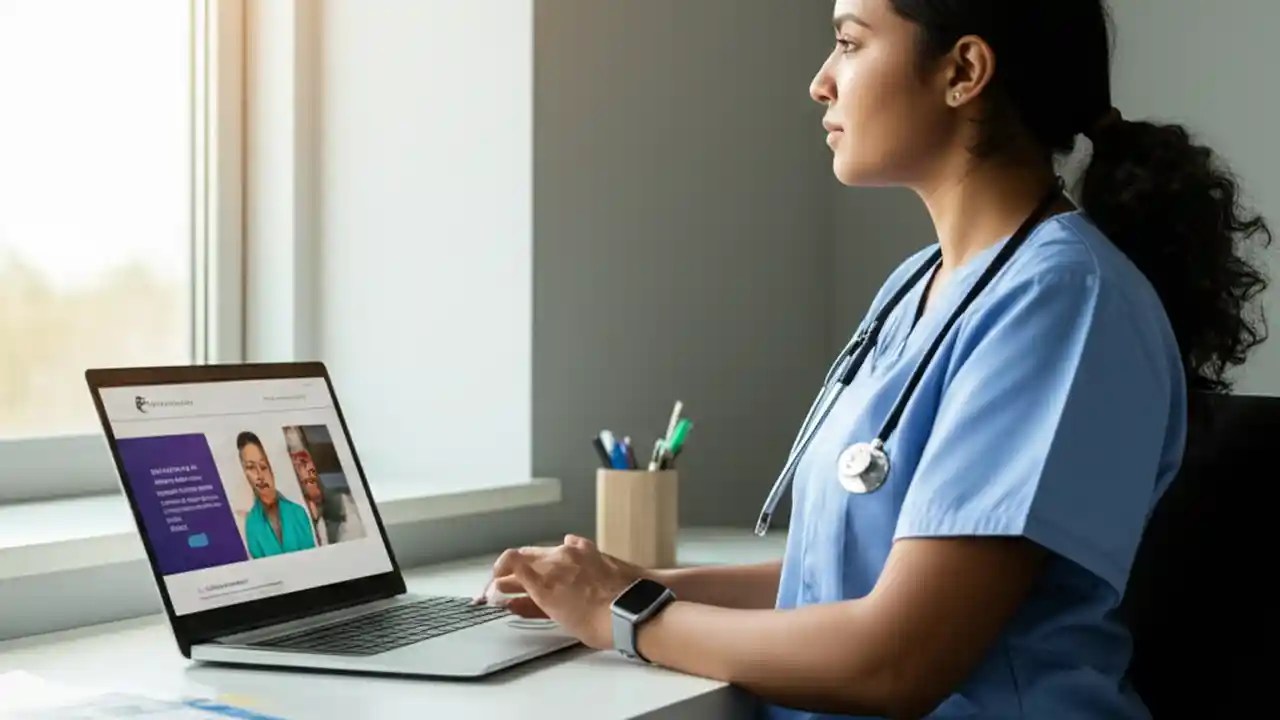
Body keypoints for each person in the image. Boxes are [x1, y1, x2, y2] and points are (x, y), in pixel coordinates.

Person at [476, 1, 1272, 718]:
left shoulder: (1064, 299)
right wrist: (621, 585)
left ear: (963, 70)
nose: (822, 83)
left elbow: (900, 660)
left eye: (849, 44)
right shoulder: (917, 285)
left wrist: (628, 616)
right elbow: (840, 579)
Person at [237, 431, 316, 559]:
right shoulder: (251, 524)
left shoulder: (297, 512)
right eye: (251, 467)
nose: (259, 475)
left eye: (263, 466)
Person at [290, 447, 364, 546]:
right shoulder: (300, 516)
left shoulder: (343, 506)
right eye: (298, 466)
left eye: (304, 462)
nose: (303, 469)